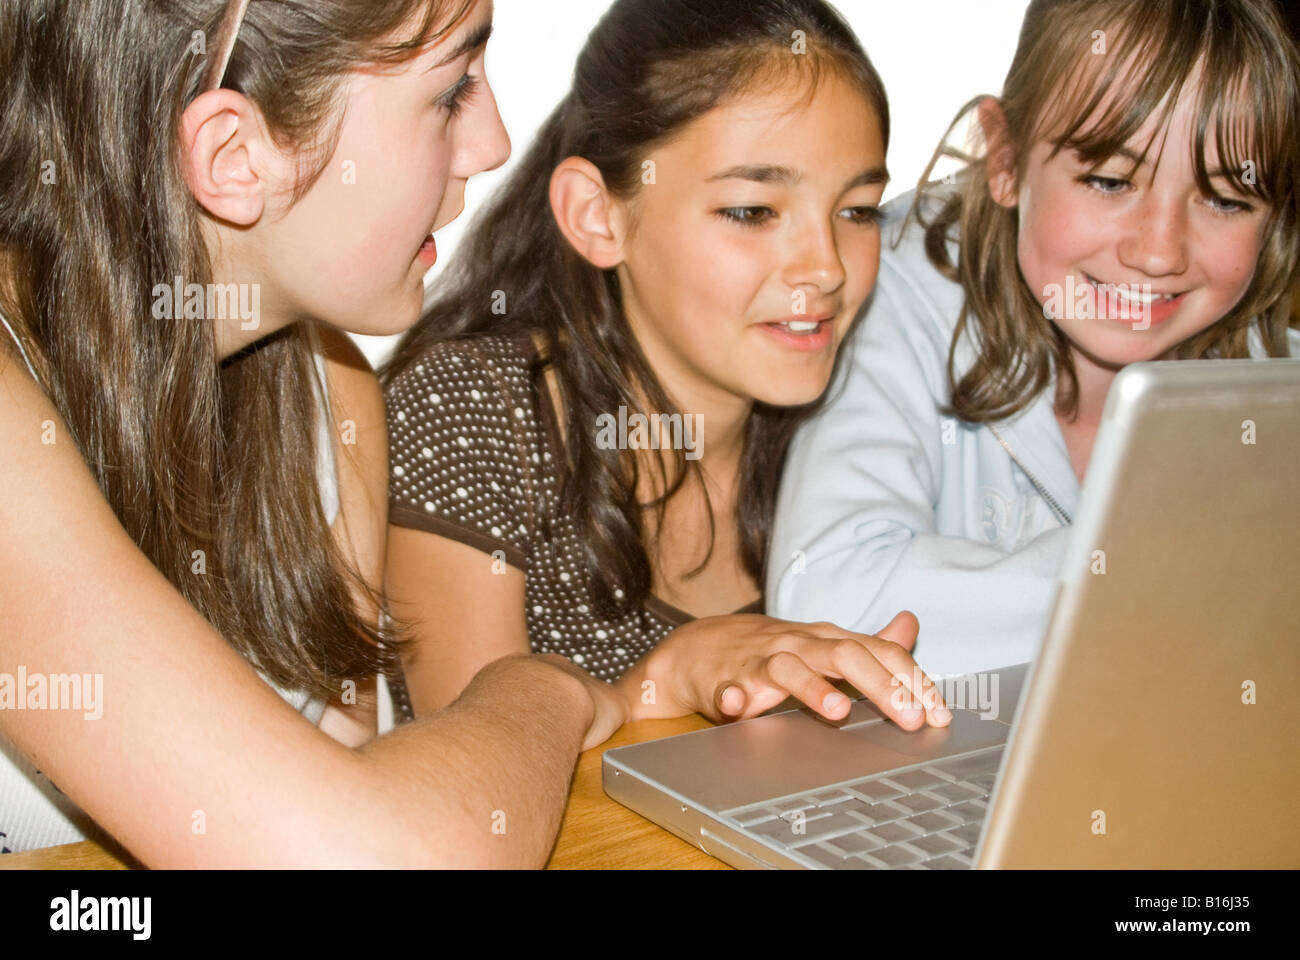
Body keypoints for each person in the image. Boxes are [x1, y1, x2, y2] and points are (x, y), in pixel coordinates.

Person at [0, 0, 625, 866]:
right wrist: (540, 688)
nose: (494, 143)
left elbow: (354, 777)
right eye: (451, 91)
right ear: (234, 155)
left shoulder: (333, 401)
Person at [382, 0, 952, 731]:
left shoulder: (869, 403)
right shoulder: (472, 411)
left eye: (859, 210)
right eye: (753, 211)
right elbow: (469, 778)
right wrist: (663, 681)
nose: (826, 268)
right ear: (598, 215)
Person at [767, 0, 1300, 678]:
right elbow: (828, 599)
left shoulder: (1273, 382)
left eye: (1225, 199)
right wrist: (1200, 579)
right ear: (1006, 157)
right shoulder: (894, 289)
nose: (1159, 252)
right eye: (1109, 181)